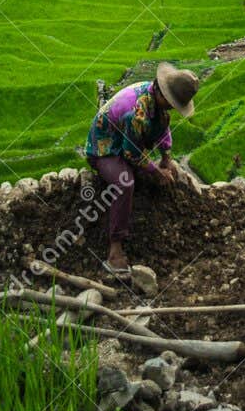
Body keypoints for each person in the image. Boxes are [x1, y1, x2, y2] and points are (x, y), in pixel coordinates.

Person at [85, 61, 199, 272]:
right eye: (171, 104)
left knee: (153, 171)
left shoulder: (156, 99)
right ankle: (115, 249)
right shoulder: (137, 111)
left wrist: (166, 156)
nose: (171, 109)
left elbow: (163, 124)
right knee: (125, 182)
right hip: (106, 147)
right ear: (163, 94)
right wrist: (156, 171)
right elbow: (131, 153)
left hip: (128, 140)